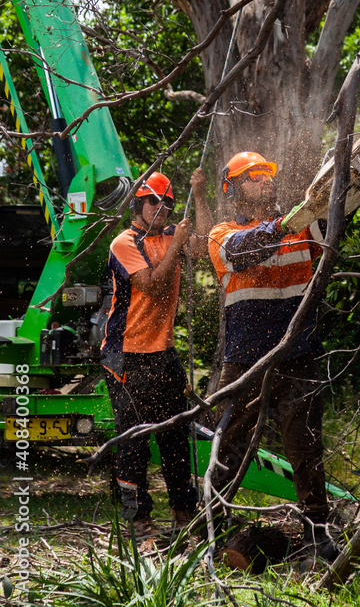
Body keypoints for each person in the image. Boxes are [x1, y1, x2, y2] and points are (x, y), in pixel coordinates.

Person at [207, 151, 338, 562]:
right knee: (230, 448)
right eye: (253, 176)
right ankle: (210, 531)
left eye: (267, 174)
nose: (265, 180)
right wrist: (287, 223)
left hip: (298, 353)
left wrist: (339, 192)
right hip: (246, 361)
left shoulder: (302, 225)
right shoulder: (222, 233)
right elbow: (246, 252)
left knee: (306, 448)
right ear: (232, 189)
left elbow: (332, 230)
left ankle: (317, 533)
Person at [100, 168, 212, 537]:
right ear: (138, 203)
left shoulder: (171, 238)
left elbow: (206, 245)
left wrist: (198, 193)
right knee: (133, 442)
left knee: (176, 439)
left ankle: (184, 516)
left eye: (167, 203)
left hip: (163, 353)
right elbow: (152, 285)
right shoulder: (124, 242)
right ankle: (140, 524)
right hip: (126, 356)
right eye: (154, 201)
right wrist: (178, 243)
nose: (161, 208)